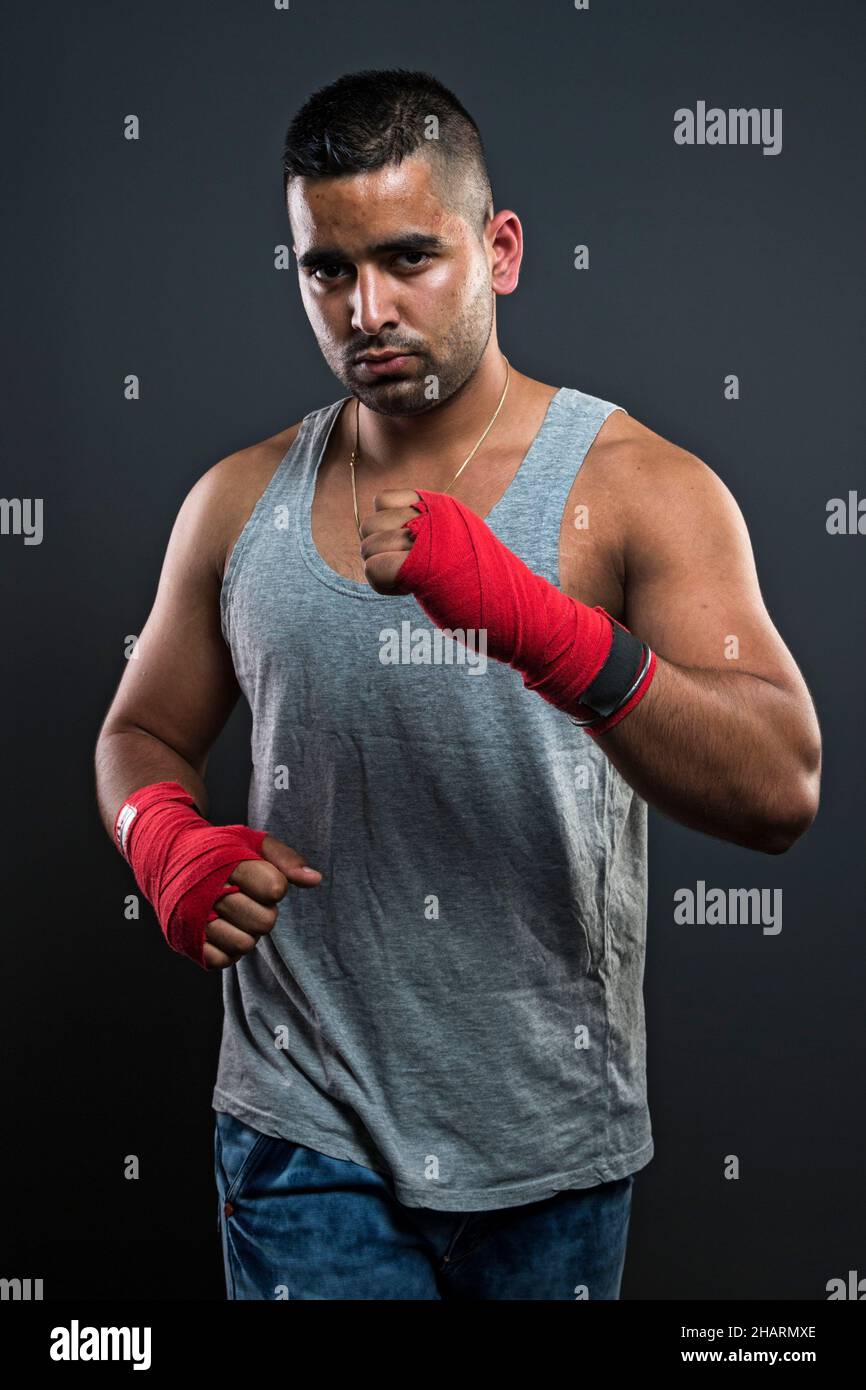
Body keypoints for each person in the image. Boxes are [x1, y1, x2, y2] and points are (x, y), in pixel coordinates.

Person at [94, 68, 822, 1301]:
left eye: (407, 257)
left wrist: (537, 623)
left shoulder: (640, 487)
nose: (365, 308)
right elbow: (143, 728)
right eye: (327, 269)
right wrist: (157, 834)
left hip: (549, 1133)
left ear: (501, 251)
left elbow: (779, 785)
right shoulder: (237, 501)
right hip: (301, 1127)